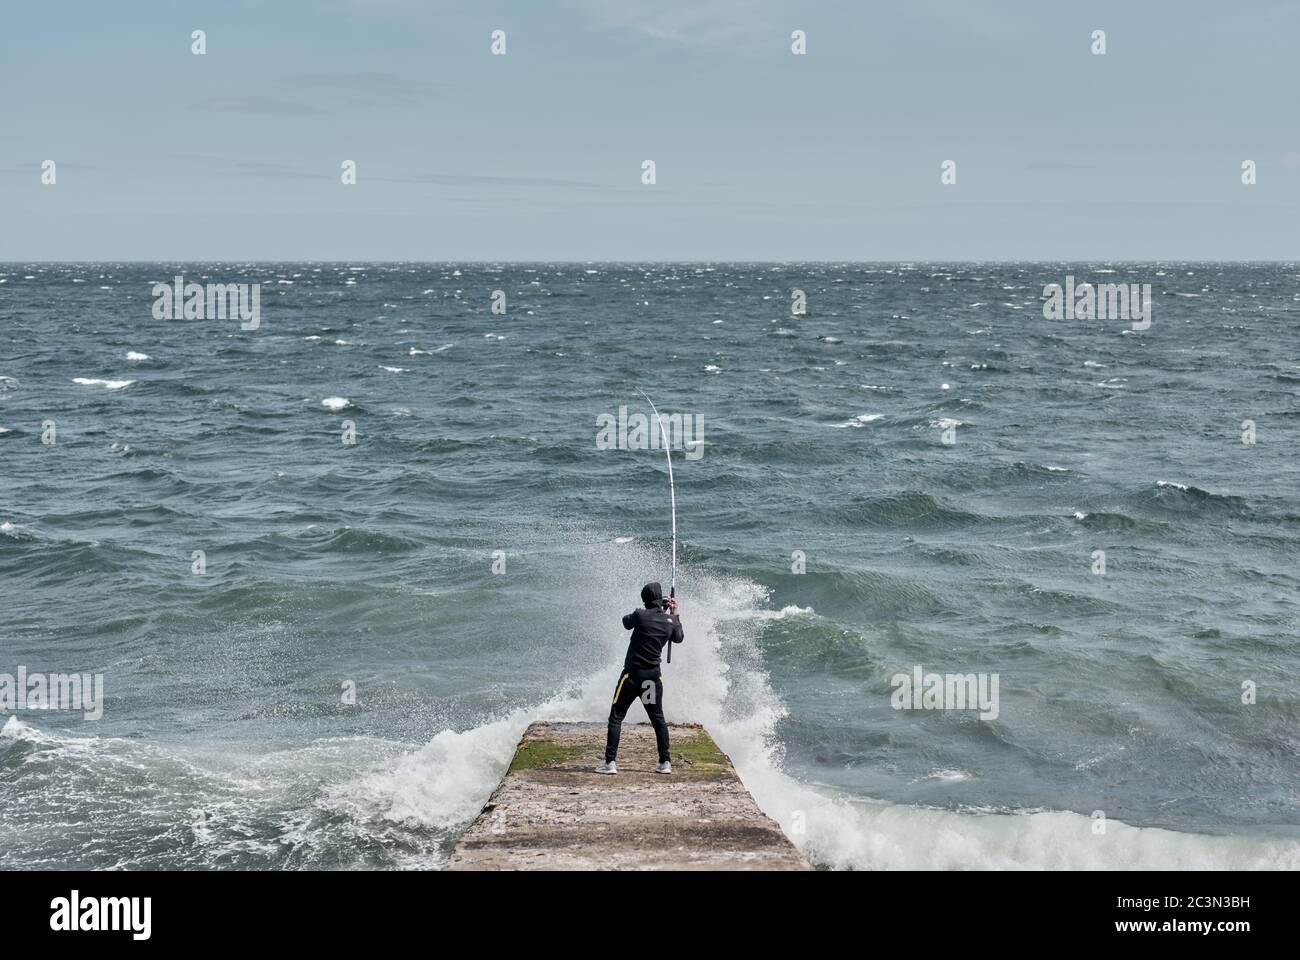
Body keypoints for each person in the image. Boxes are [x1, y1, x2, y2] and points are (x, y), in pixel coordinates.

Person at [595, 581, 683, 775]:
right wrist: (673, 613)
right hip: (651, 679)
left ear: (644, 600)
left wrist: (653, 609)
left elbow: (626, 622)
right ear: (662, 600)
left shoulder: (640, 615)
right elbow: (678, 637)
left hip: (631, 677)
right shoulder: (669, 621)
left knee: (616, 717)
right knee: (657, 718)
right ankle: (665, 762)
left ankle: (610, 763)